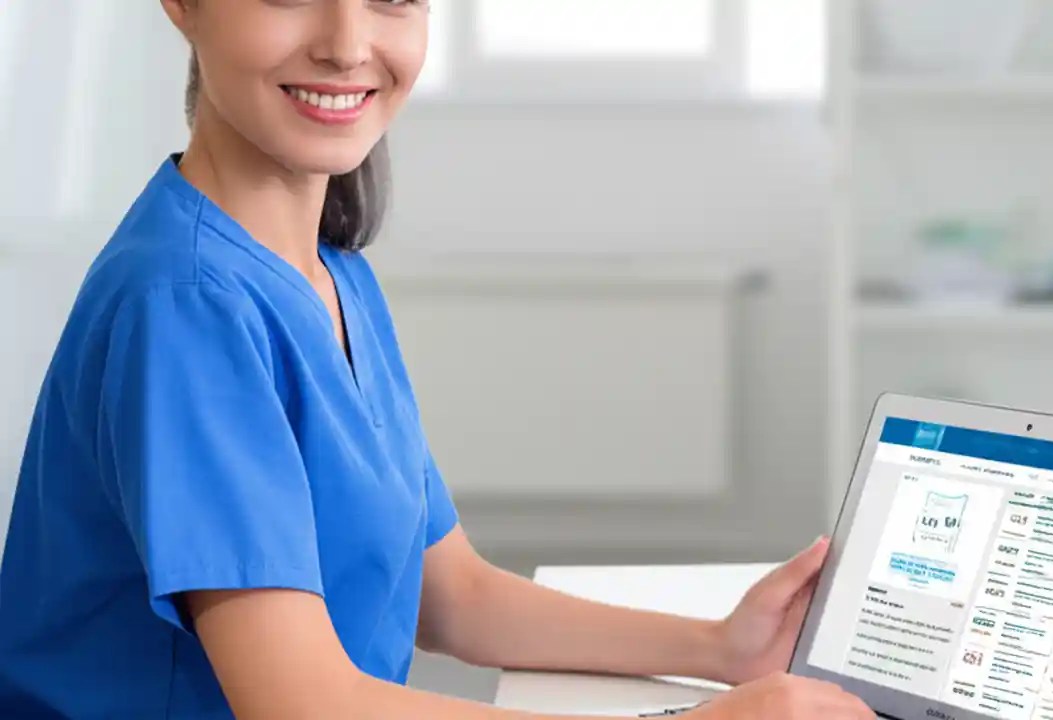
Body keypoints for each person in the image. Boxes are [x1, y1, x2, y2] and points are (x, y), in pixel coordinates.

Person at [0, 2, 875, 718]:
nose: (347, 45)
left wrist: (718, 650)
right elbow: (301, 704)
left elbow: (447, 591)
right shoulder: (187, 305)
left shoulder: (331, 275)